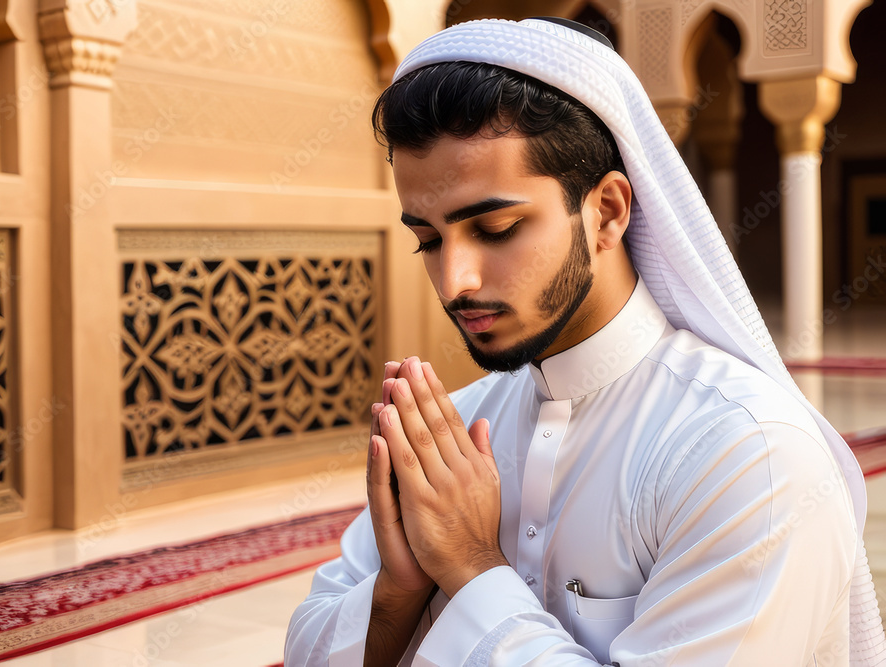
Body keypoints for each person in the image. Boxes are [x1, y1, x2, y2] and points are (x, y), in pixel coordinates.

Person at [285, 17, 886, 666]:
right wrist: (397, 590)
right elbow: (309, 644)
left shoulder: (745, 453)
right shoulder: (457, 428)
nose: (454, 279)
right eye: (428, 239)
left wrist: (470, 567)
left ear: (607, 211)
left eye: (494, 228)